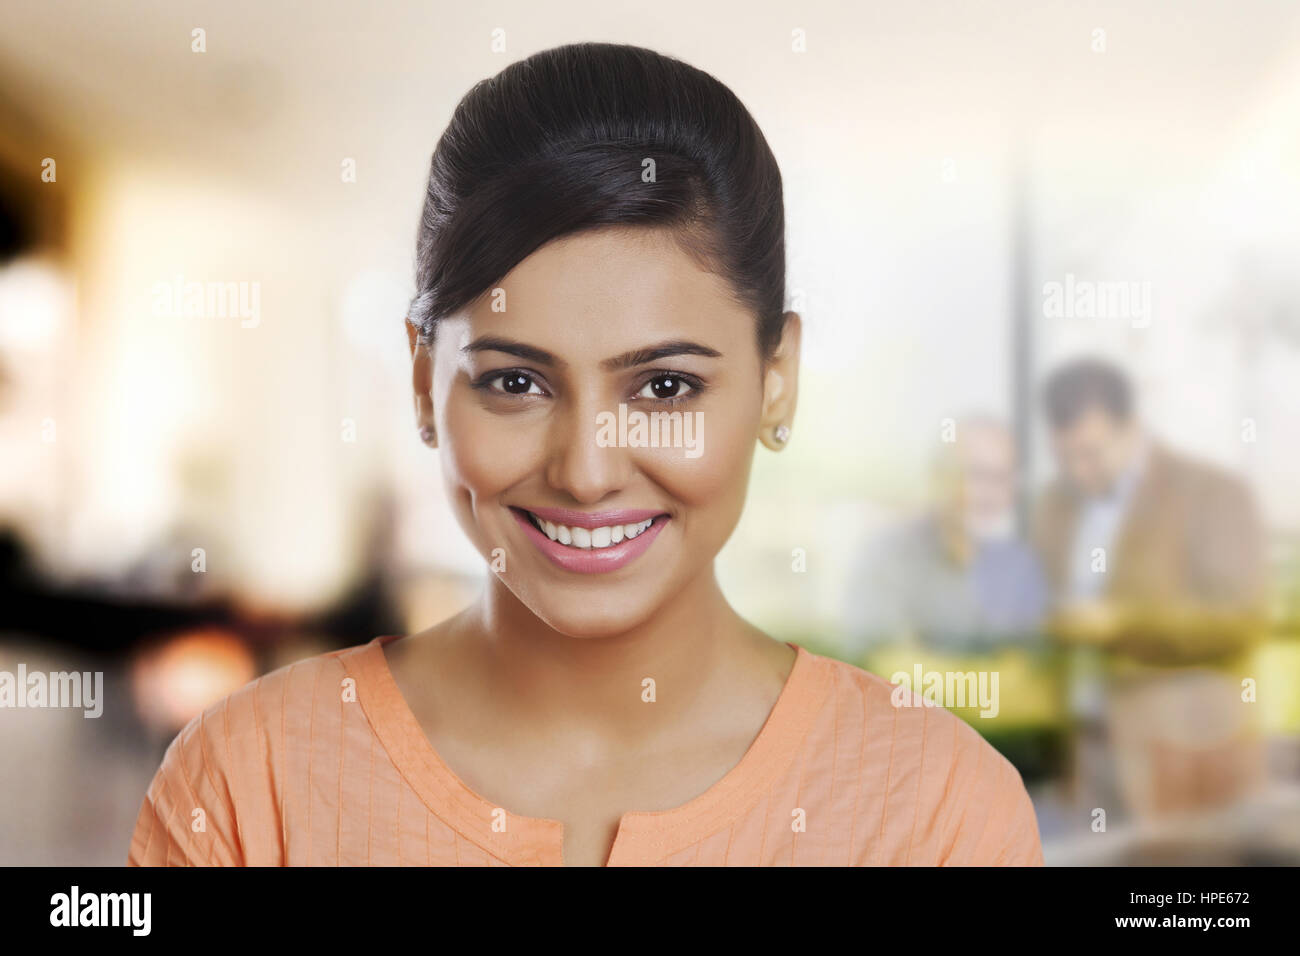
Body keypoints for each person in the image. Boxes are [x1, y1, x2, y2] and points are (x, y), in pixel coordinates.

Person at [127, 42, 1042, 867]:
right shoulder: (248, 787)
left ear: (776, 379)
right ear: (421, 381)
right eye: (516, 384)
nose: (588, 471)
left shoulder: (937, 813)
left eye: (665, 388)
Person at [1033, 357, 1269, 819]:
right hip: (1082, 749)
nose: (1080, 471)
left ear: (1133, 428)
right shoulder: (1053, 504)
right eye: (1065, 457)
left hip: (1183, 751)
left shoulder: (1213, 493)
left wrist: (1122, 623)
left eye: (1092, 452)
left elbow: (1241, 619)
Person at [845, 416, 1048, 655]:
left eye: (1002, 479)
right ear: (939, 477)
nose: (989, 494)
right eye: (977, 475)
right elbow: (880, 662)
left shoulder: (1019, 566)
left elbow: (1034, 667)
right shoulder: (886, 555)